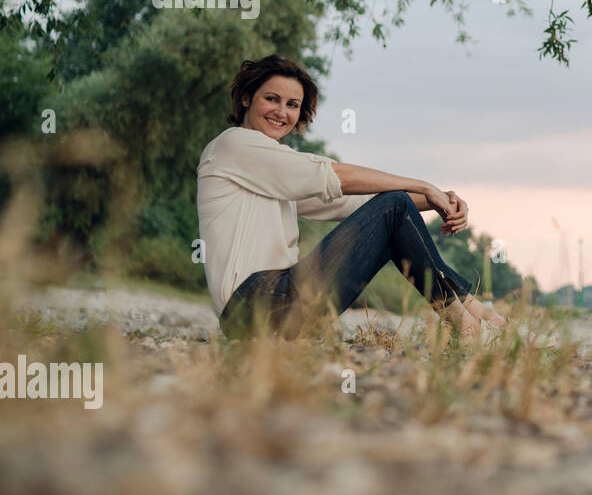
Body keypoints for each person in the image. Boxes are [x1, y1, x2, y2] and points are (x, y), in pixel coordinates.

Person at [197, 54, 507, 340]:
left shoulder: (269, 171)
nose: (282, 112)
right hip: (255, 303)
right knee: (394, 205)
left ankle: (474, 313)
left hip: (273, 309)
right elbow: (336, 177)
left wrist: (439, 200)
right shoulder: (234, 145)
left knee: (393, 207)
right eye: (272, 99)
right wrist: (426, 187)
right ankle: (467, 326)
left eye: (292, 104)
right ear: (247, 98)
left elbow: (358, 204)